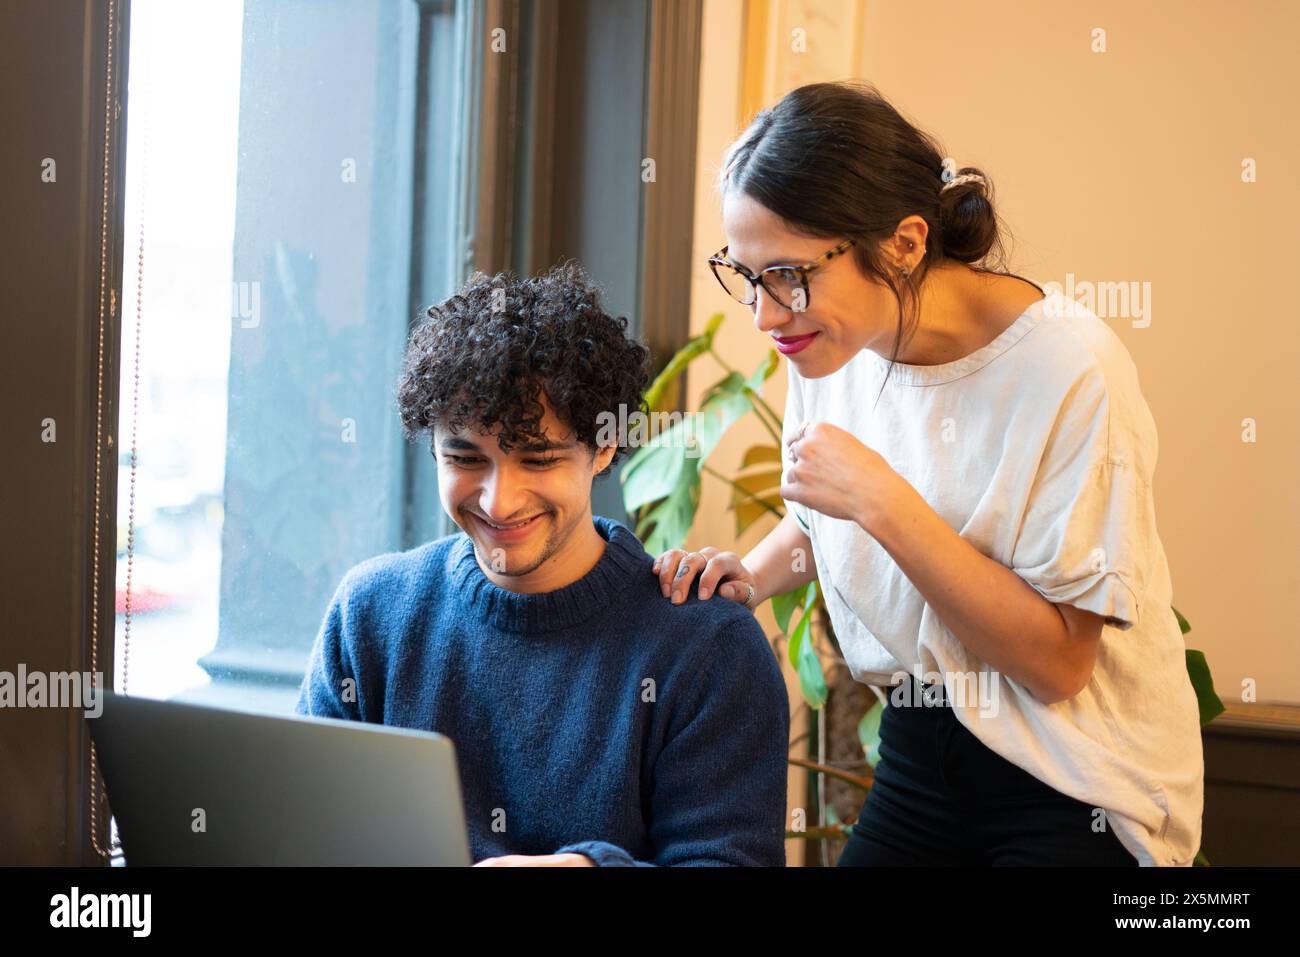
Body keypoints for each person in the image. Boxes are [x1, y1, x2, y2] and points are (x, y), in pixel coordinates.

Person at [657, 80, 1203, 866]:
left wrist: (884, 500)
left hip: (1074, 776)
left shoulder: (1070, 371)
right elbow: (822, 516)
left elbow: (1057, 666)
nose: (767, 314)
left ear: (906, 243)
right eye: (745, 275)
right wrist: (746, 573)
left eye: (788, 274)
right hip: (919, 751)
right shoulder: (826, 340)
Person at [295, 262, 790, 866]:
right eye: (465, 458)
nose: (498, 501)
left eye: (538, 460)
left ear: (603, 447)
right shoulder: (371, 614)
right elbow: (307, 831)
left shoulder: (706, 645)